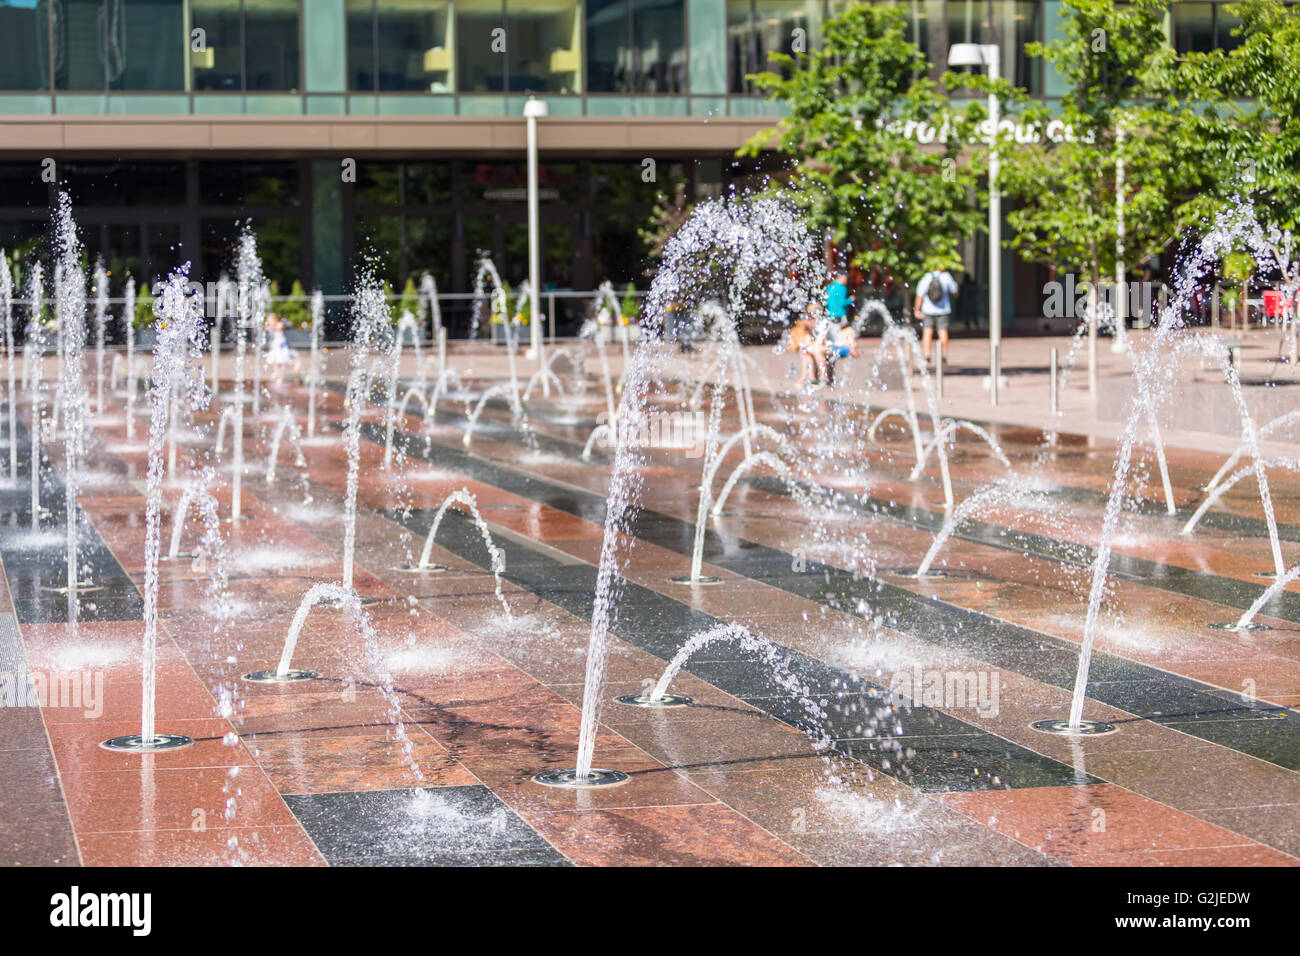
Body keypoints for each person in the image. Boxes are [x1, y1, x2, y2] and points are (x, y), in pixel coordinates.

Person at [914, 268, 958, 366]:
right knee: (942, 332)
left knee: (927, 331)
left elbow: (919, 295)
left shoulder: (927, 277)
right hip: (943, 310)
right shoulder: (946, 277)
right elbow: (955, 291)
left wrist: (917, 310)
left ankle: (927, 354)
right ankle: (943, 355)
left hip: (928, 310)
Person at [787, 308, 828, 388]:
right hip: (820, 347)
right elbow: (807, 341)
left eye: (805, 319)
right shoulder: (809, 328)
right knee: (804, 349)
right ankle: (809, 378)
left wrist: (809, 348)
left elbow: (819, 342)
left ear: (812, 319)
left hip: (838, 346)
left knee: (816, 351)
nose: (803, 322)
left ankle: (824, 378)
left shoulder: (823, 324)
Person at [264, 312, 299, 384]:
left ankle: (296, 369)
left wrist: (272, 326)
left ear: (275, 319)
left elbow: (280, 327)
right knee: (275, 362)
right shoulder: (272, 326)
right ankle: (277, 377)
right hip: (276, 345)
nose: (269, 322)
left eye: (270, 320)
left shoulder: (279, 324)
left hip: (282, 345)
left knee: (286, 360)